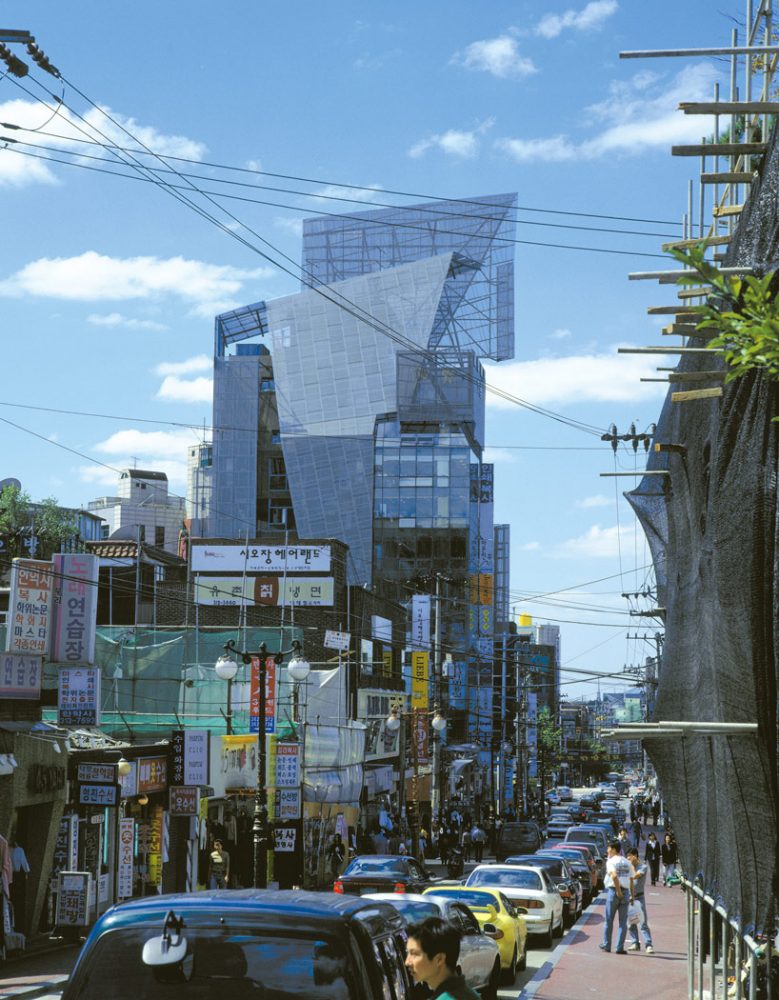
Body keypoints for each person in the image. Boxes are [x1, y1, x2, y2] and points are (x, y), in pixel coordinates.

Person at [405, 916, 480, 999]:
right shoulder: (467, 992)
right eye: (408, 953)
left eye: (414, 954)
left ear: (439, 959)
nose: (407, 962)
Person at [600, 840, 633, 954]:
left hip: (614, 892)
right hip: (626, 892)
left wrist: (618, 891)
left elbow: (614, 876)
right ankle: (619, 947)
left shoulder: (611, 861)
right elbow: (631, 879)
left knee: (609, 920)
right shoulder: (627, 862)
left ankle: (607, 945)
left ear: (614, 849)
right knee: (623, 922)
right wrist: (630, 895)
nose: (607, 850)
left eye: (608, 848)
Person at [626, 847, 654, 954]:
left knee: (642, 922)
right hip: (630, 897)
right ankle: (635, 943)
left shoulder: (643, 867)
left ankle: (648, 944)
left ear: (635, 856)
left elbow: (637, 876)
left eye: (629, 856)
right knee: (632, 922)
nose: (628, 859)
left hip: (639, 897)